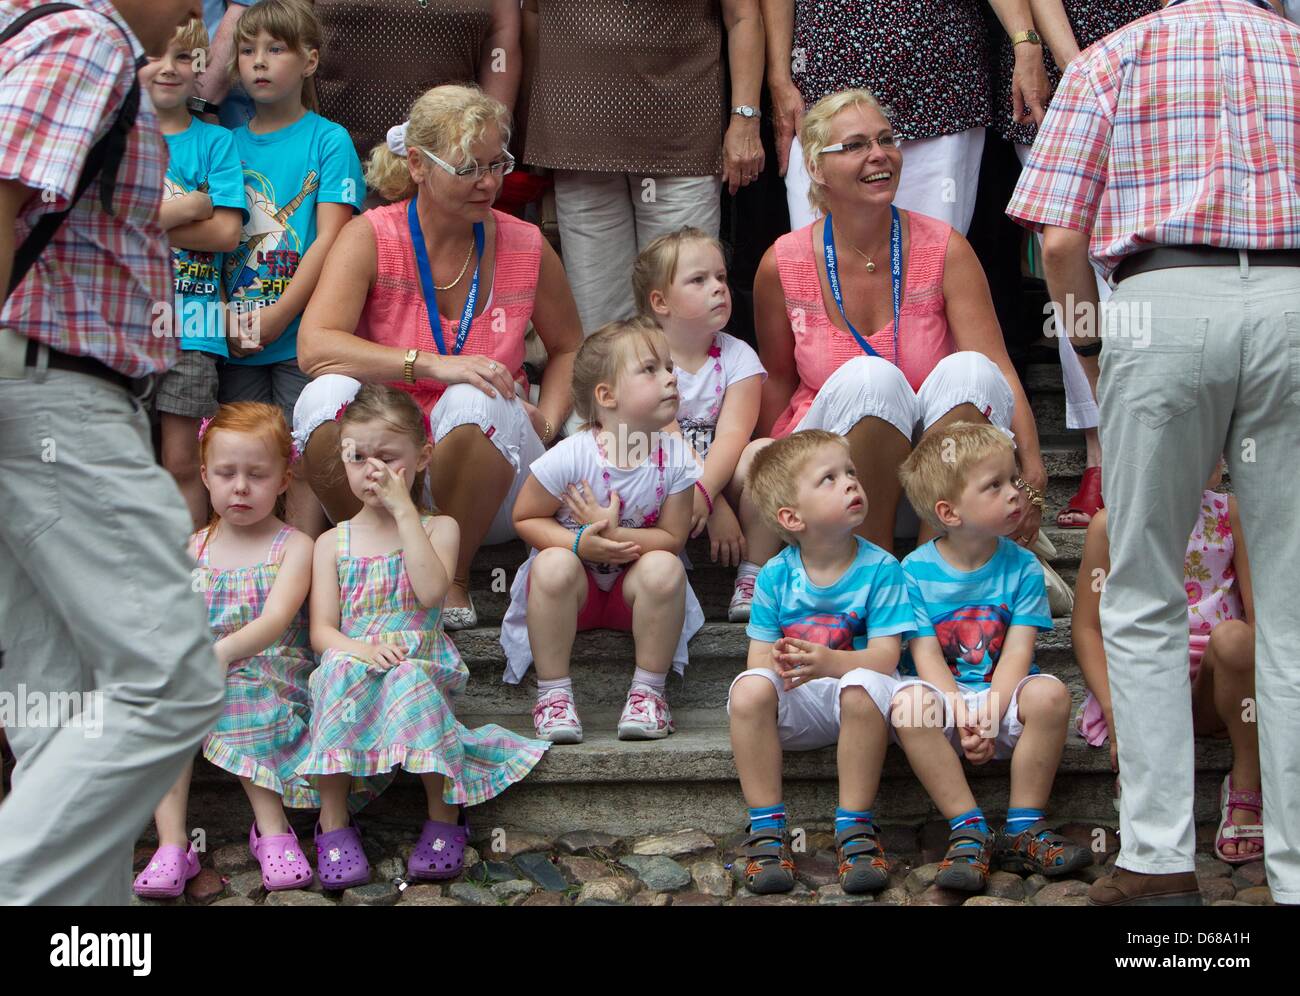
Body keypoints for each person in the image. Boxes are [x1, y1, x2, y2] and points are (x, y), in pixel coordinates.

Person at [1007, 0, 1300, 906]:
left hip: (1162, 300)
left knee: (1139, 591)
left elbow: (1059, 239)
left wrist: (1090, 347)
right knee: (1293, 609)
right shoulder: (1298, 47)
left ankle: (1161, 857)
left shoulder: (1113, 56)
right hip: (1294, 299)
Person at [0, 0, 225, 905]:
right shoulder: (87, 36)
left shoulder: (27, 26)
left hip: (36, 394)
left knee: (59, 697)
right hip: (55, 394)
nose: (195, 8)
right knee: (170, 678)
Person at [293, 84, 581, 630]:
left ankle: (454, 578)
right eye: (470, 167)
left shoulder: (524, 243)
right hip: (386, 466)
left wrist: (545, 422)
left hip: (488, 475)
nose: (490, 182)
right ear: (419, 167)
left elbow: (568, 347)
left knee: (480, 396)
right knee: (322, 396)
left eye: (497, 164)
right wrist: (428, 364)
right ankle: (374, 569)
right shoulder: (370, 235)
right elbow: (315, 347)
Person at [748, 89, 1045, 583]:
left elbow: (998, 370)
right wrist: (764, 488)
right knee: (872, 377)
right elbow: (776, 382)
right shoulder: (781, 262)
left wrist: (1031, 473)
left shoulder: (944, 247)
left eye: (887, 139)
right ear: (817, 169)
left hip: (939, 489)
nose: (879, 154)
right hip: (835, 490)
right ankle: (869, 576)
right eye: (856, 145)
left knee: (970, 368)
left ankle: (938, 570)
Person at [302, 385, 548, 888]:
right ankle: (332, 822)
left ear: (422, 457)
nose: (372, 470)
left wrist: (404, 512)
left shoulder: (440, 528)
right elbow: (322, 632)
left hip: (420, 658)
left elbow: (433, 590)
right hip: (357, 657)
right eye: (356, 457)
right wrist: (361, 650)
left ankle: (444, 815)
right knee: (337, 673)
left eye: (388, 458)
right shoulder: (332, 542)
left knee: (411, 678)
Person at [890, 422, 1086, 893]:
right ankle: (968, 826)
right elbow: (927, 655)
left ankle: (1023, 825)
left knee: (1052, 694)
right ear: (949, 512)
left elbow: (1019, 652)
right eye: (994, 486)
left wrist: (992, 715)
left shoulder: (1021, 566)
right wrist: (961, 713)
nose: (1015, 495)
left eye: (1014, 480)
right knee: (906, 703)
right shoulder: (912, 571)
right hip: (943, 708)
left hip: (1002, 700)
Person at [134, 403, 317, 898]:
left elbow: (276, 620)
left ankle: (272, 830)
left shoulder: (294, 547)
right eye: (226, 473)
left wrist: (218, 656)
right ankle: (173, 845)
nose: (240, 486)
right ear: (204, 477)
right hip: (201, 666)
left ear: (283, 479)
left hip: (269, 669)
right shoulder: (191, 549)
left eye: (257, 474)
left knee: (239, 692)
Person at [996, 0, 1161, 528]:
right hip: (1067, 57)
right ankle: (1101, 455)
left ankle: (1176, 450)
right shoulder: (1083, 74)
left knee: (1157, 258)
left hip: (1177, 67)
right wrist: (1079, 72)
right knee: (1077, 261)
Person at [727, 430, 914, 895]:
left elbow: (887, 656)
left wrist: (830, 662)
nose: (851, 483)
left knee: (862, 686)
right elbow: (759, 662)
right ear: (792, 517)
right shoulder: (773, 575)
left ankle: (855, 830)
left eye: (850, 472)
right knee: (748, 688)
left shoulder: (882, 568)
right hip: (802, 700)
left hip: (864, 704)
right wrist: (781, 668)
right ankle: (768, 831)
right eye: (829, 479)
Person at [503, 319, 703, 743]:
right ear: (606, 395)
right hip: (574, 595)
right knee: (553, 564)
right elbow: (526, 518)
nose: (670, 377)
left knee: (667, 568)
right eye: (650, 369)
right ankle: (553, 696)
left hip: (635, 596)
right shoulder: (571, 456)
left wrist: (612, 537)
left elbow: (672, 538)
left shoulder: (677, 459)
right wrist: (580, 541)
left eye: (669, 367)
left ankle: (648, 693)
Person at [522, 0, 765, 337]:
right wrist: (534, 132)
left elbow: (743, 16)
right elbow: (533, 15)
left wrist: (745, 118)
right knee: (601, 328)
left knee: (684, 318)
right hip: (578, 140)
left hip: (680, 137)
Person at [218, 0, 364, 534]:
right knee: (243, 462)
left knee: (301, 461)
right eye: (248, 49)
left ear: (308, 61)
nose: (258, 61)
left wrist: (279, 314)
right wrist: (222, 317)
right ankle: (246, 574)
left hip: (299, 338)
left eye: (275, 49)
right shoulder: (223, 144)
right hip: (236, 338)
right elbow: (204, 247)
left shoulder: (329, 141)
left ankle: (300, 573)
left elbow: (332, 237)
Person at [1074, 463, 1262, 864]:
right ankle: (1146, 797)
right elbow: (1087, 629)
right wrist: (1114, 710)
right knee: (1142, 655)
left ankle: (1249, 778)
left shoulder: (1230, 514)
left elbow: (1258, 616)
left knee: (1236, 637)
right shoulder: (1111, 524)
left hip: (1212, 686)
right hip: (1143, 680)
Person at [764, 0, 1051, 234]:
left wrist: (1025, 42)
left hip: (937, 92)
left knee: (930, 266)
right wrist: (778, 79)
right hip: (825, 92)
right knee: (819, 264)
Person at [143, 16, 247, 528]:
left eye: (184, 57)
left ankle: (191, 576)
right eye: (155, 56)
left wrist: (145, 220)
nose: (168, 68)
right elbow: (104, 223)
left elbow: (227, 235)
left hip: (195, 325)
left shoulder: (216, 142)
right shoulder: (119, 138)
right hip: (121, 323)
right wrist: (192, 205)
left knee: (183, 461)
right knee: (122, 456)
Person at [632, 228, 766, 621]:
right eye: (699, 280)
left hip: (715, 478)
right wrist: (713, 502)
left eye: (721, 278)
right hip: (657, 474)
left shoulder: (738, 356)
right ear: (660, 302)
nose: (719, 288)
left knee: (764, 455)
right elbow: (661, 431)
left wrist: (707, 493)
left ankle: (752, 575)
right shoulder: (639, 353)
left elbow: (733, 436)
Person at [313, 0, 522, 165]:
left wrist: (492, 148)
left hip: (450, 163)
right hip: (332, 159)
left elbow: (500, 35)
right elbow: (290, 29)